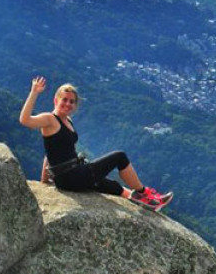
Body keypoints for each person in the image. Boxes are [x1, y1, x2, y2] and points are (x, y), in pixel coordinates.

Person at [19, 76, 172, 211]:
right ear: (56, 100)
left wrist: (44, 180)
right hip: (71, 177)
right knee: (119, 156)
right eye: (64, 99)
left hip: (73, 173)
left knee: (113, 186)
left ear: (75, 106)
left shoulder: (67, 121)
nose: (67, 104)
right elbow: (25, 120)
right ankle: (143, 192)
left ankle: (145, 203)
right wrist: (34, 92)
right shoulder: (49, 119)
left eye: (72, 102)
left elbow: (51, 151)